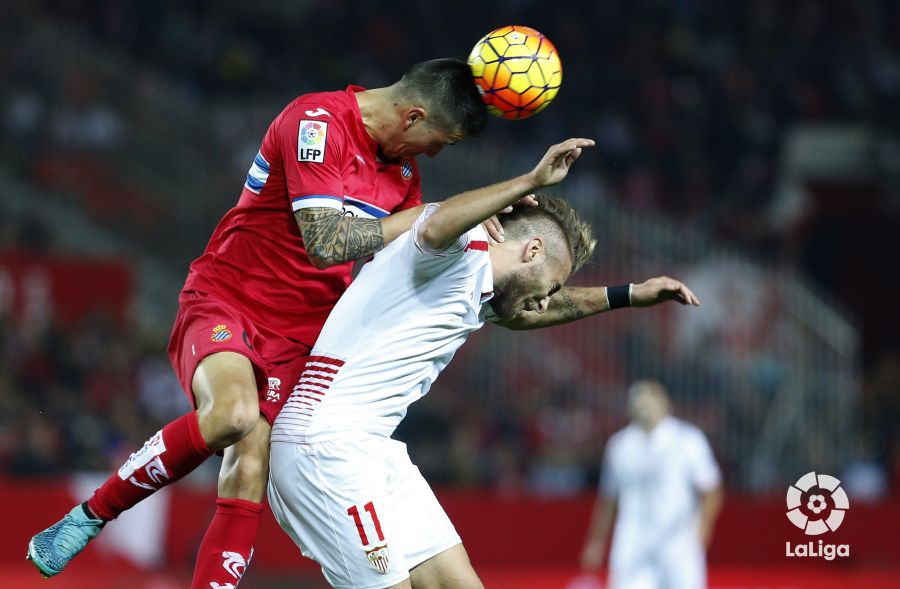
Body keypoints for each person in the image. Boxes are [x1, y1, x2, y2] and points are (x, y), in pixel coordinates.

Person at [27, 58, 494, 588]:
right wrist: (427, 214)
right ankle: (91, 514)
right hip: (230, 300)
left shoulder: (405, 174)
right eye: (441, 140)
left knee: (250, 466)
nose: (434, 154)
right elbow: (326, 245)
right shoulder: (315, 122)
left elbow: (407, 258)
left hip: (302, 337)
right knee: (233, 415)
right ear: (412, 118)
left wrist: (482, 221)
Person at [267, 137, 702, 589]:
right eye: (550, 286)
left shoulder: (481, 287)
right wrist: (528, 182)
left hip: (372, 452)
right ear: (531, 250)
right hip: (324, 447)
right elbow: (436, 225)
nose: (544, 303)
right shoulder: (458, 247)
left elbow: (525, 315)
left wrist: (626, 294)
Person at [580, 380, 723, 589]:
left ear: (664, 404)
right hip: (633, 537)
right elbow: (609, 498)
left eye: (648, 402)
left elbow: (711, 488)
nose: (643, 408)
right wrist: (597, 541)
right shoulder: (620, 445)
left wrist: (703, 527)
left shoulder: (687, 440)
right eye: (637, 403)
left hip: (677, 538)